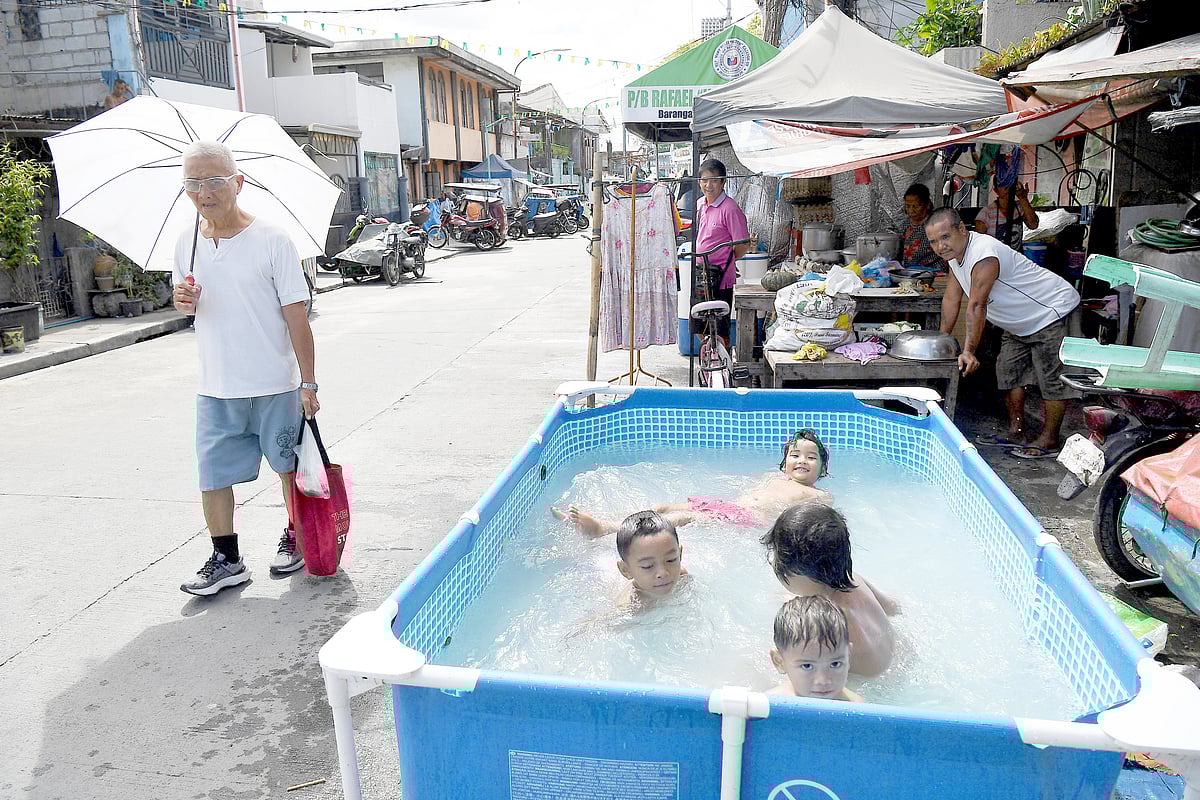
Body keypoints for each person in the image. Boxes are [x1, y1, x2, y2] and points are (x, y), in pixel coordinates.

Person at [172, 141, 320, 596]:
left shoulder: (272, 240)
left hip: (274, 383)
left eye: (214, 181)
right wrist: (184, 302)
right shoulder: (187, 242)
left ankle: (296, 536)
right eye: (193, 183)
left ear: (238, 183)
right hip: (216, 386)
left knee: (288, 470)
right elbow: (188, 307)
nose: (204, 192)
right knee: (212, 477)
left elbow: (298, 316)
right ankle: (227, 558)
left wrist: (308, 382)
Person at [926, 207, 1080, 458]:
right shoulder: (955, 256)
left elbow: (977, 305)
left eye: (945, 237)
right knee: (1008, 372)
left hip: (1051, 311)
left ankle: (1049, 439)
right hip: (1017, 321)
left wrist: (968, 351)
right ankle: (1016, 431)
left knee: (1052, 380)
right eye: (933, 241)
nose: (940, 246)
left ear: (962, 230)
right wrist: (940, 341)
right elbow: (951, 298)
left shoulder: (984, 253)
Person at [556, 429, 832, 538]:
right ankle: (605, 518)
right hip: (729, 508)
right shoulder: (772, 477)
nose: (802, 461)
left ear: (822, 468)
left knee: (682, 518)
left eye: (811, 457)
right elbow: (748, 491)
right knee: (661, 506)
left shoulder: (818, 495)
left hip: (746, 518)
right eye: (795, 455)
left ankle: (604, 529)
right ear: (784, 463)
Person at [760, 503, 898, 677]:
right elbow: (892, 606)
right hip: (895, 654)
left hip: (865, 679)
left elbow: (807, 669)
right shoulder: (853, 579)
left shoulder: (823, 617)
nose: (775, 564)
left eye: (780, 560)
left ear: (805, 571)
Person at [768, 595, 864, 702]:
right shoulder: (772, 703)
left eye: (835, 664)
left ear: (848, 656)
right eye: (807, 666)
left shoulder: (856, 706)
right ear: (780, 662)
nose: (823, 681)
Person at [694, 158, 750, 341]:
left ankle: (722, 365)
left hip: (720, 277)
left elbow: (742, 243)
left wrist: (728, 261)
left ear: (723, 181)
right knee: (699, 324)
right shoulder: (701, 204)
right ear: (699, 181)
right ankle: (707, 362)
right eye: (705, 180)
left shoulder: (730, 208)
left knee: (720, 329)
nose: (709, 185)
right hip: (701, 274)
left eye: (714, 180)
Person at [613, 511, 691, 609]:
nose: (663, 573)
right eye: (648, 566)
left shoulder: (681, 575)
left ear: (679, 555)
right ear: (626, 570)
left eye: (671, 560)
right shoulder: (629, 606)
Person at [974, 178, 1038, 252]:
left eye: (1009, 184)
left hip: (1016, 259)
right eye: (1002, 185)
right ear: (996, 190)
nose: (1007, 187)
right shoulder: (986, 213)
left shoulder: (1020, 207)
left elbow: (1033, 225)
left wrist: (1023, 198)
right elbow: (978, 243)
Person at [898, 183, 946, 272]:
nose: (911, 210)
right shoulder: (905, 225)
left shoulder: (935, 224)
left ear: (927, 205)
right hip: (910, 272)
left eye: (915, 206)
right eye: (908, 206)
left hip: (935, 272)